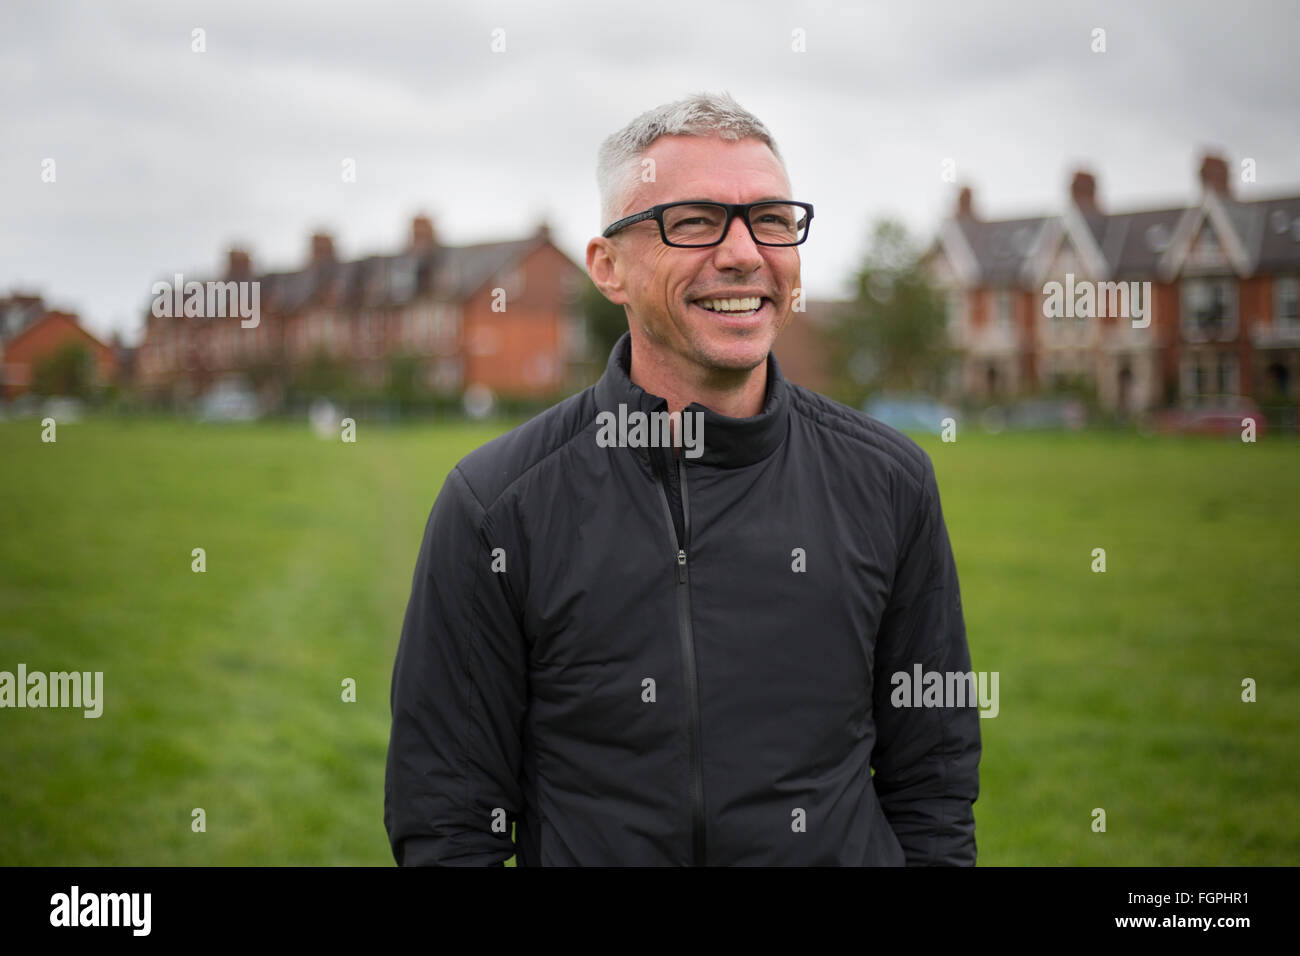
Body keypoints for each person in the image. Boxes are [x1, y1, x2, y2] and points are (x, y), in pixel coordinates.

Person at [384, 91, 980, 866]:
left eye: (770, 220)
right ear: (608, 267)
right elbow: (446, 819)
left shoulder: (891, 482)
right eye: (694, 221)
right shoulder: (498, 507)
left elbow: (932, 784)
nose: (742, 254)